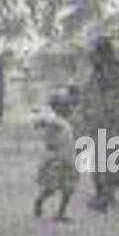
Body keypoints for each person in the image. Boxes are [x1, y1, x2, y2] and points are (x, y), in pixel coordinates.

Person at [33, 89, 79, 221]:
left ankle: (61, 212)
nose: (67, 108)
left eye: (68, 106)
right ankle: (40, 201)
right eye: (64, 105)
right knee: (51, 186)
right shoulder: (53, 120)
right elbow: (39, 120)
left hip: (68, 157)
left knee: (69, 187)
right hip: (54, 157)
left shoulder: (68, 122)